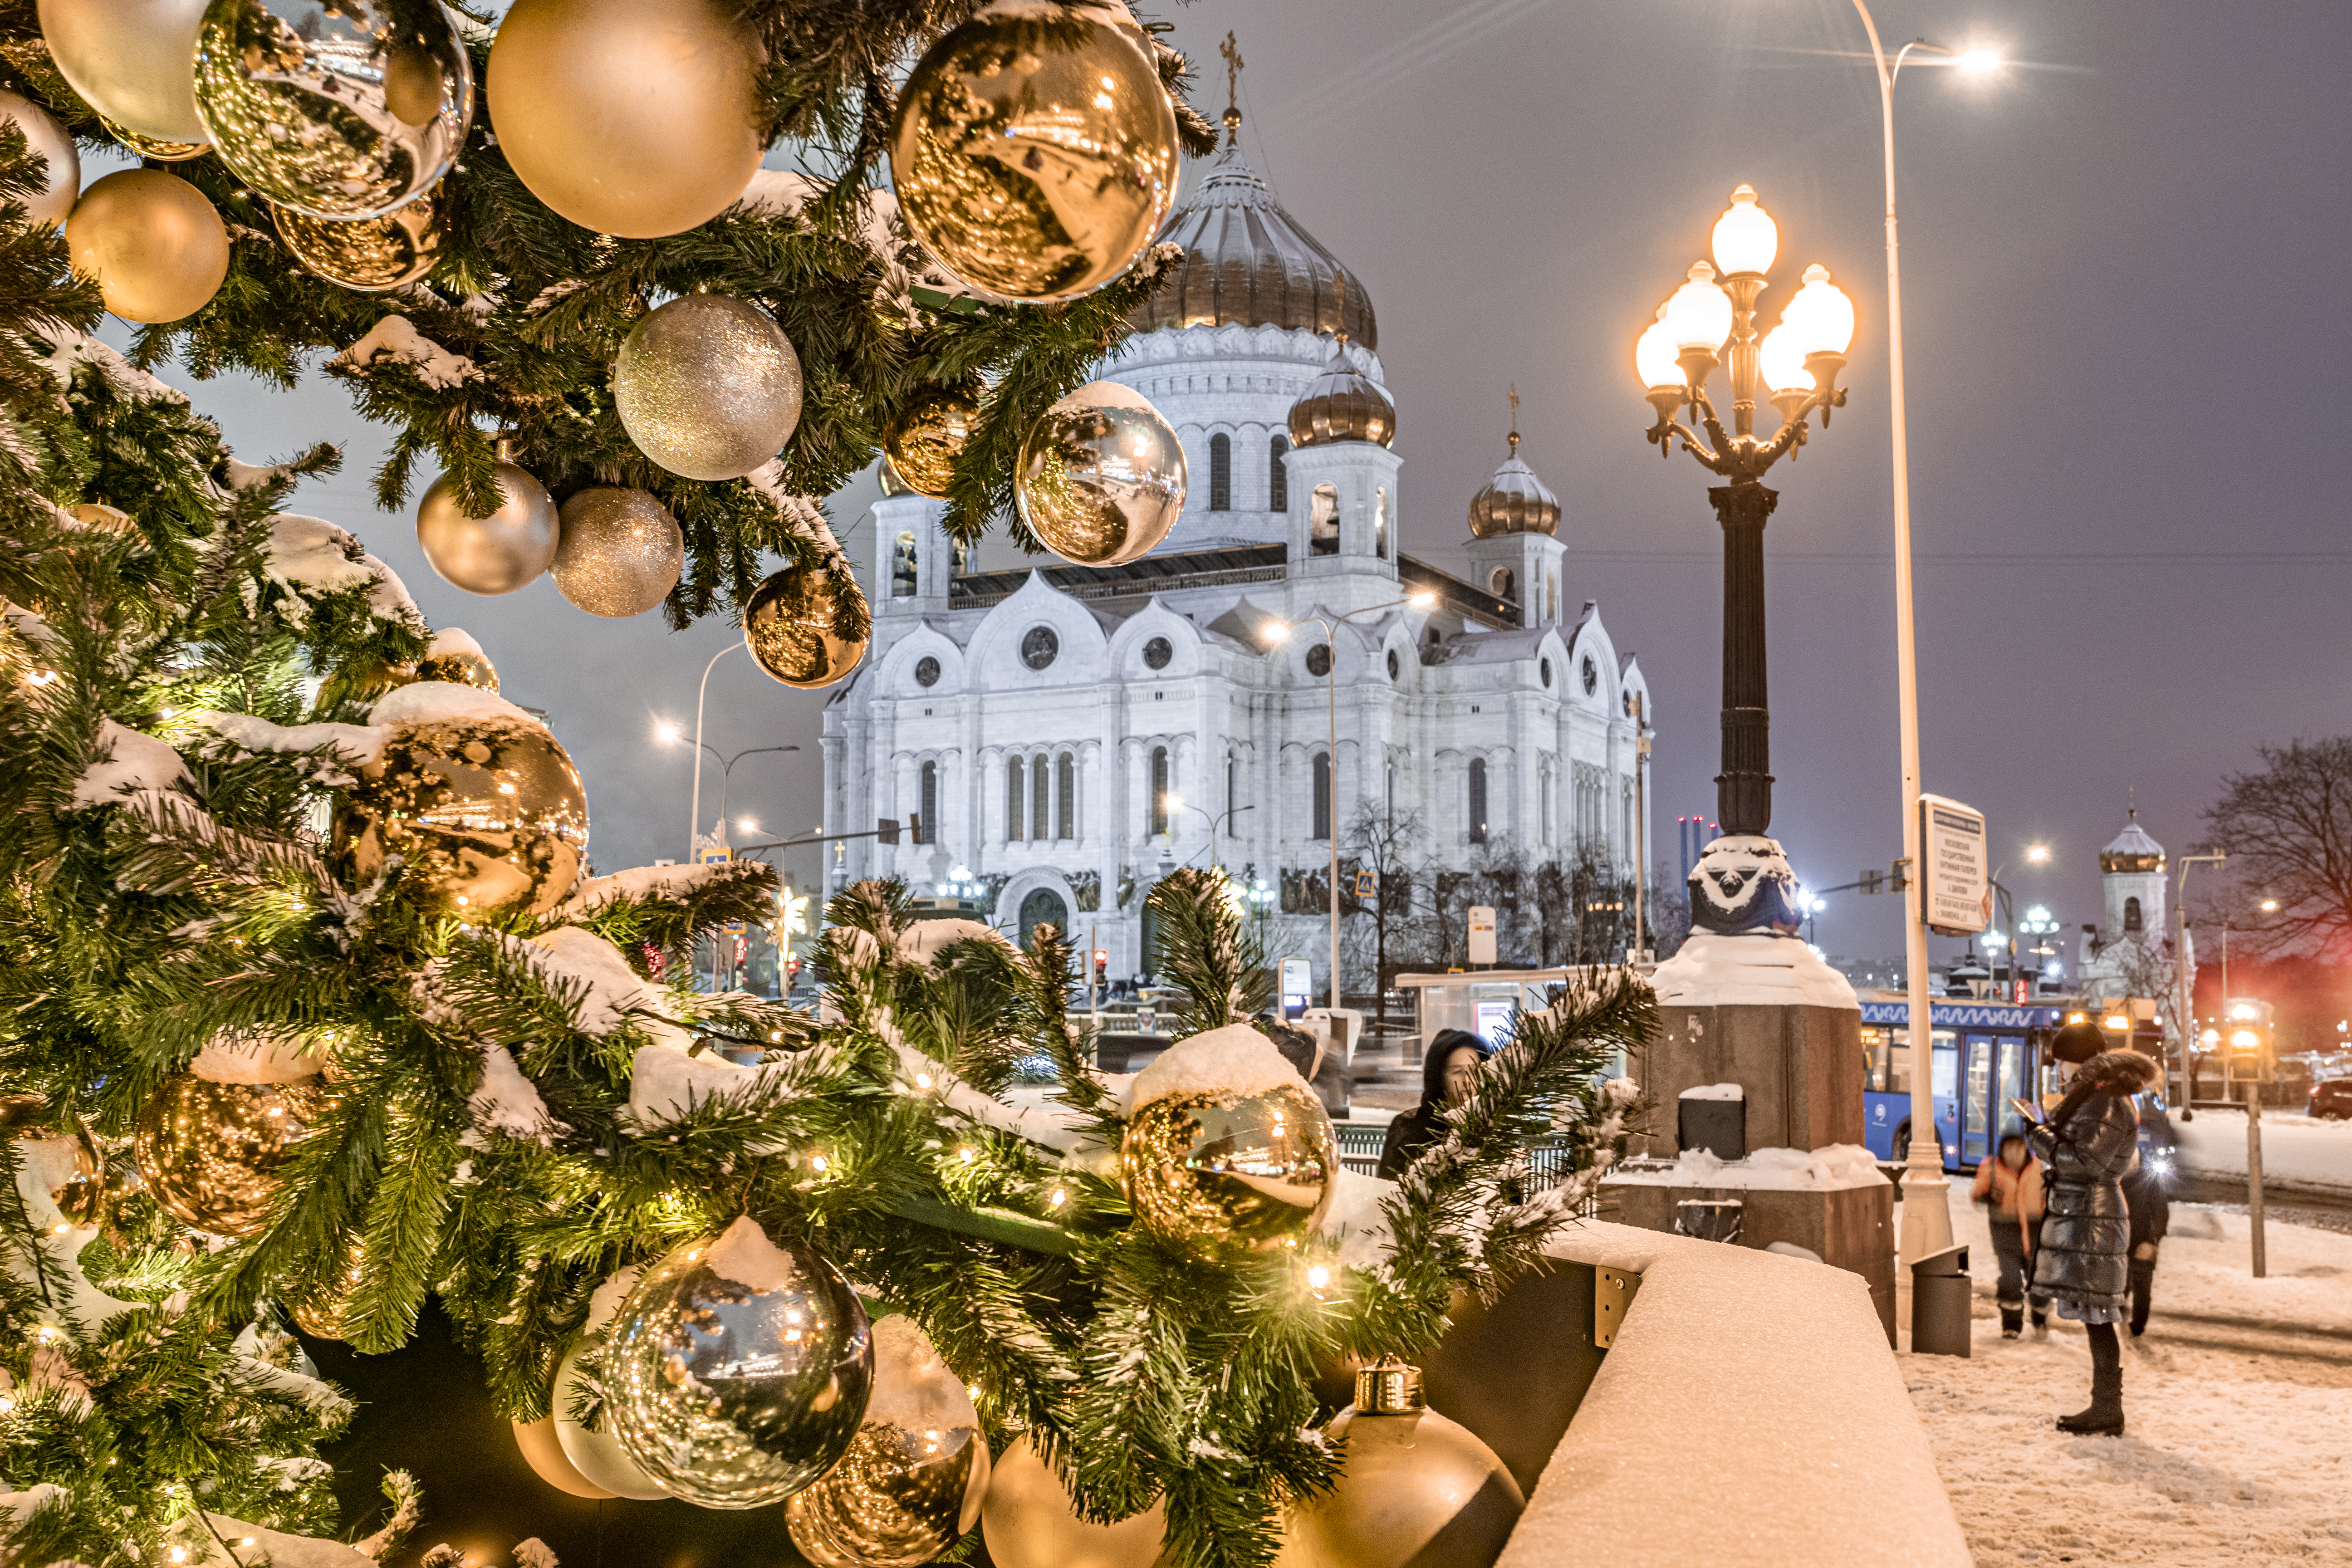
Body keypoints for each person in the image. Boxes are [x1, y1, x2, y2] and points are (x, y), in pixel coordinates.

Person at [2027, 1022, 2161, 1437]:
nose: (2059, 1071)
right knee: (2095, 1314)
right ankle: (2104, 1406)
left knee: (2099, 1315)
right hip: (2086, 1214)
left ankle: (2107, 1409)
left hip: (2093, 1218)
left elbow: (2086, 1162)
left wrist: (2039, 1135)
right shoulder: (2099, 1095)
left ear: (2078, 1061)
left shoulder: (2106, 1099)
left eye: (2062, 1062)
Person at [1378, 1028, 1487, 1179]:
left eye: (1475, 1071)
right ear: (1439, 1078)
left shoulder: (1492, 1127)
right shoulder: (1409, 1128)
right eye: (1457, 1072)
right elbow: (1390, 1189)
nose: (1468, 1082)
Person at [1970, 1132, 2048, 1338]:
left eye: (2019, 1146)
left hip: (2035, 1235)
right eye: (2010, 1147)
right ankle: (2011, 1325)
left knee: (2038, 1279)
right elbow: (1977, 1194)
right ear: (2002, 1150)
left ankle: (2040, 1318)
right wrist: (1989, 1196)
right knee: (2011, 1280)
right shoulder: (1992, 1168)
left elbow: (2049, 1199)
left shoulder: (2038, 1168)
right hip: (2005, 1235)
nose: (2015, 1152)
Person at [2119, 1101, 2174, 1338]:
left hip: (2142, 1238)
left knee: (2142, 1284)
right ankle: (2119, 1315)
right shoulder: (2113, 1177)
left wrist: (2153, 1239)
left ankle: (2138, 1328)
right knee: (2121, 1283)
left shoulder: (2149, 1177)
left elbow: (2161, 1210)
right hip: (2118, 1239)